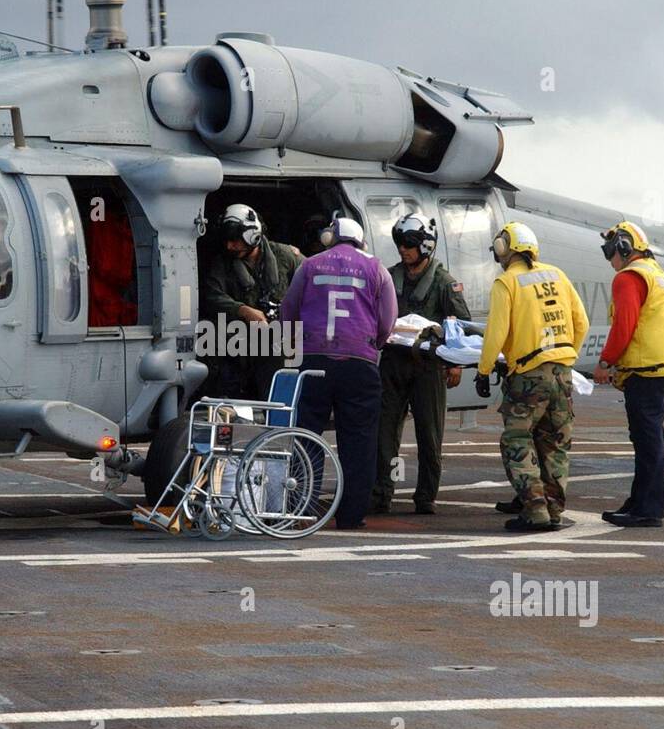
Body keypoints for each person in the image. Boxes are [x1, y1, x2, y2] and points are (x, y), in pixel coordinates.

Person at [281, 216, 397, 531]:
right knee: (359, 442)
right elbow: (387, 322)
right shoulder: (377, 269)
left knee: (306, 436)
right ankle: (350, 516)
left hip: (315, 360)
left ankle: (300, 507)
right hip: (359, 365)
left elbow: (288, 311)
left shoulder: (310, 265)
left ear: (331, 236)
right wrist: (374, 346)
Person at [476, 221, 589, 532]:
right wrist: (565, 355)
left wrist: (483, 370)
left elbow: (496, 333)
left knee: (517, 439)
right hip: (563, 372)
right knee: (555, 443)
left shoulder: (506, 282)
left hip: (528, 375)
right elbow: (582, 323)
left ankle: (535, 510)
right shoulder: (558, 275)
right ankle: (554, 511)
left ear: (503, 248)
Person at [592, 221, 664, 528]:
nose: (610, 259)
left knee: (647, 441)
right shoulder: (659, 276)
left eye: (610, 251)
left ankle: (647, 510)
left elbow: (625, 325)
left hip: (647, 369)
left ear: (623, 247)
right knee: (649, 437)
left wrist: (605, 363)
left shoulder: (629, 277)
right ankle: (638, 502)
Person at [371, 212, 471, 515]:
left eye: (410, 243)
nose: (403, 249)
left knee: (429, 434)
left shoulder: (444, 284)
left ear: (425, 245)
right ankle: (382, 493)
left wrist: (454, 364)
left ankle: (426, 495)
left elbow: (461, 326)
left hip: (428, 366)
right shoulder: (389, 277)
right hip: (393, 364)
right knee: (385, 433)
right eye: (401, 243)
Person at [200, 203, 303, 399]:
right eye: (227, 241)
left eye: (235, 241)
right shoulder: (222, 264)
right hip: (240, 339)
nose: (229, 246)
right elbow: (212, 295)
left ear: (252, 235)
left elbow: (313, 282)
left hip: (279, 339)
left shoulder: (285, 256)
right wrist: (243, 311)